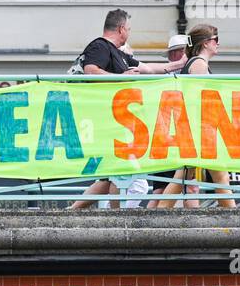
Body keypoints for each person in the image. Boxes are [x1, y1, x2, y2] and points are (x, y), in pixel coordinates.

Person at [71, 12, 186, 209]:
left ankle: (77, 211)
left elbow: (148, 69)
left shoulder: (118, 53)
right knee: (121, 172)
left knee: (112, 176)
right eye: (129, 29)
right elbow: (92, 70)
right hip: (109, 122)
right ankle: (114, 217)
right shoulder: (100, 46)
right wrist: (120, 77)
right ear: (121, 29)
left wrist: (180, 64)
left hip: (116, 122)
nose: (129, 33)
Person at [155, 24, 234, 209]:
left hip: (197, 129)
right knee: (215, 176)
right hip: (201, 129)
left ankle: (233, 218)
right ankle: (234, 220)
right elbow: (200, 99)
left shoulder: (196, 63)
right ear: (206, 43)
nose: (218, 43)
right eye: (216, 40)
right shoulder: (199, 64)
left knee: (188, 176)